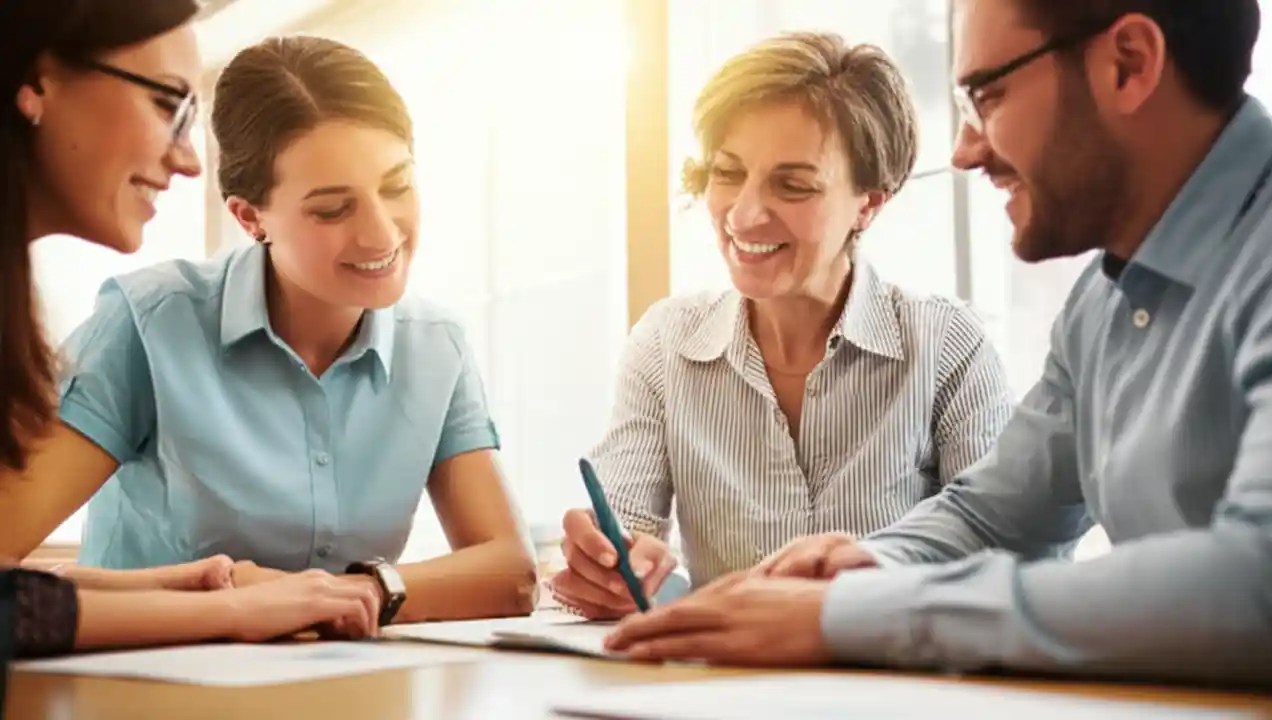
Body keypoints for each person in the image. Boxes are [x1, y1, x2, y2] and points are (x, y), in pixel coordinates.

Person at [604, 0, 1272, 687]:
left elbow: (1264, 580)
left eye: (988, 94)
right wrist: (864, 568)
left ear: (1129, 65)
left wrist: (851, 616)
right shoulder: (1101, 305)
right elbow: (997, 516)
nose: (964, 149)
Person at [0, 34, 538, 627]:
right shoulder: (148, 324)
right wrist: (245, 606)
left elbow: (510, 572)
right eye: (332, 209)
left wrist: (349, 593)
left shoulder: (436, 346)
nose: (382, 234)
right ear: (250, 217)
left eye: (396, 186)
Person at [552, 32, 1013, 619]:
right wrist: (610, 569)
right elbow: (626, 535)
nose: (743, 214)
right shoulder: (666, 342)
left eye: (792, 185)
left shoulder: (947, 346)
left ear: (870, 203)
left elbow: (1004, 563)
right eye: (727, 173)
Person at [0, 0, 383, 671]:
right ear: (38, 81)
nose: (186, 159)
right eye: (167, 104)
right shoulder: (149, 317)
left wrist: (159, 586)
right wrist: (228, 611)